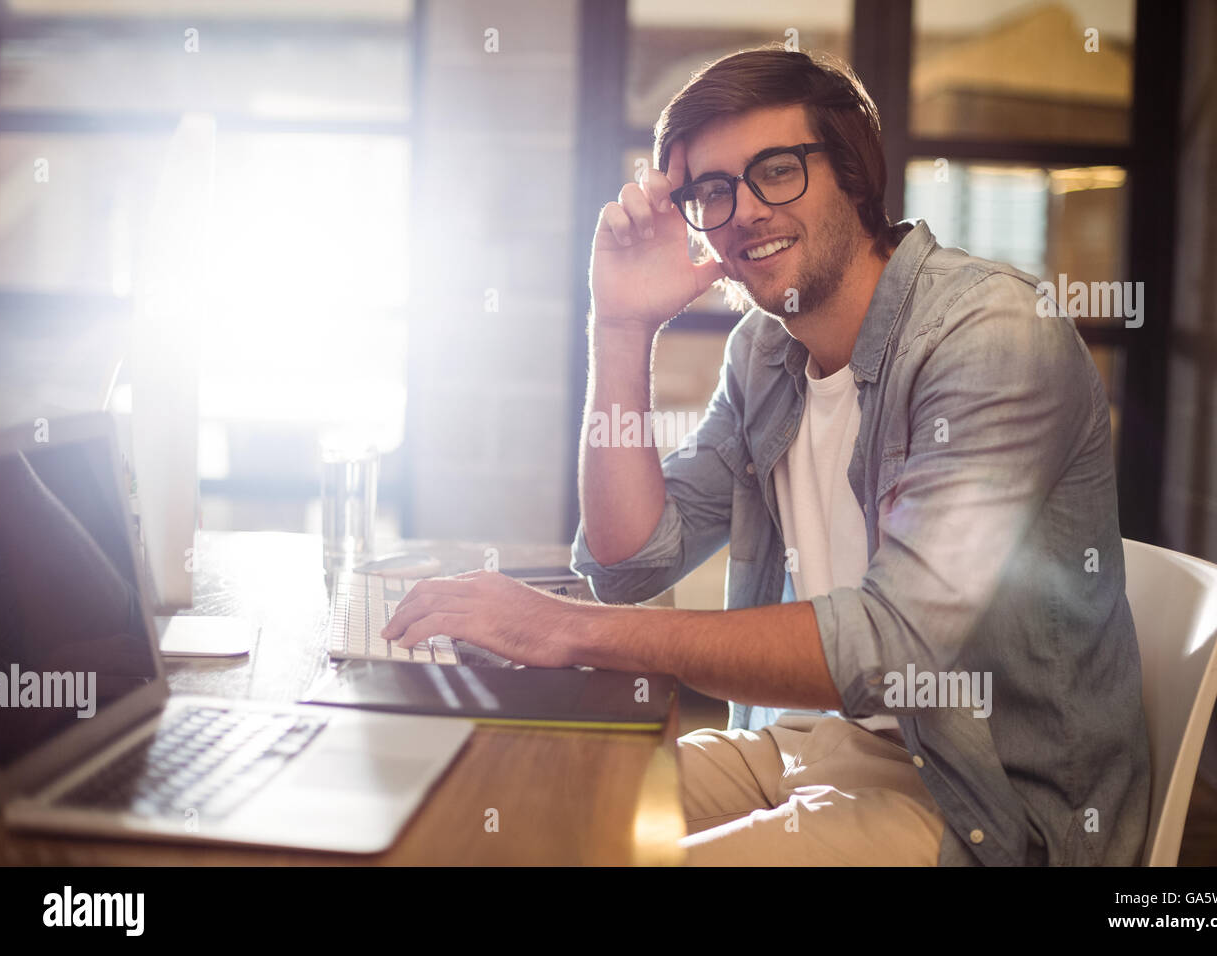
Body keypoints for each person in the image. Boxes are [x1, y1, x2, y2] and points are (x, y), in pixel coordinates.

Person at [382, 46, 1151, 866]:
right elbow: (629, 562)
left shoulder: (993, 334)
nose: (743, 210)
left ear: (853, 173)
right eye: (713, 190)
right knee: (528, 804)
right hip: (806, 746)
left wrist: (570, 631)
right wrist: (620, 328)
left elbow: (895, 646)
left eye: (776, 171)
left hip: (986, 801)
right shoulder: (764, 352)